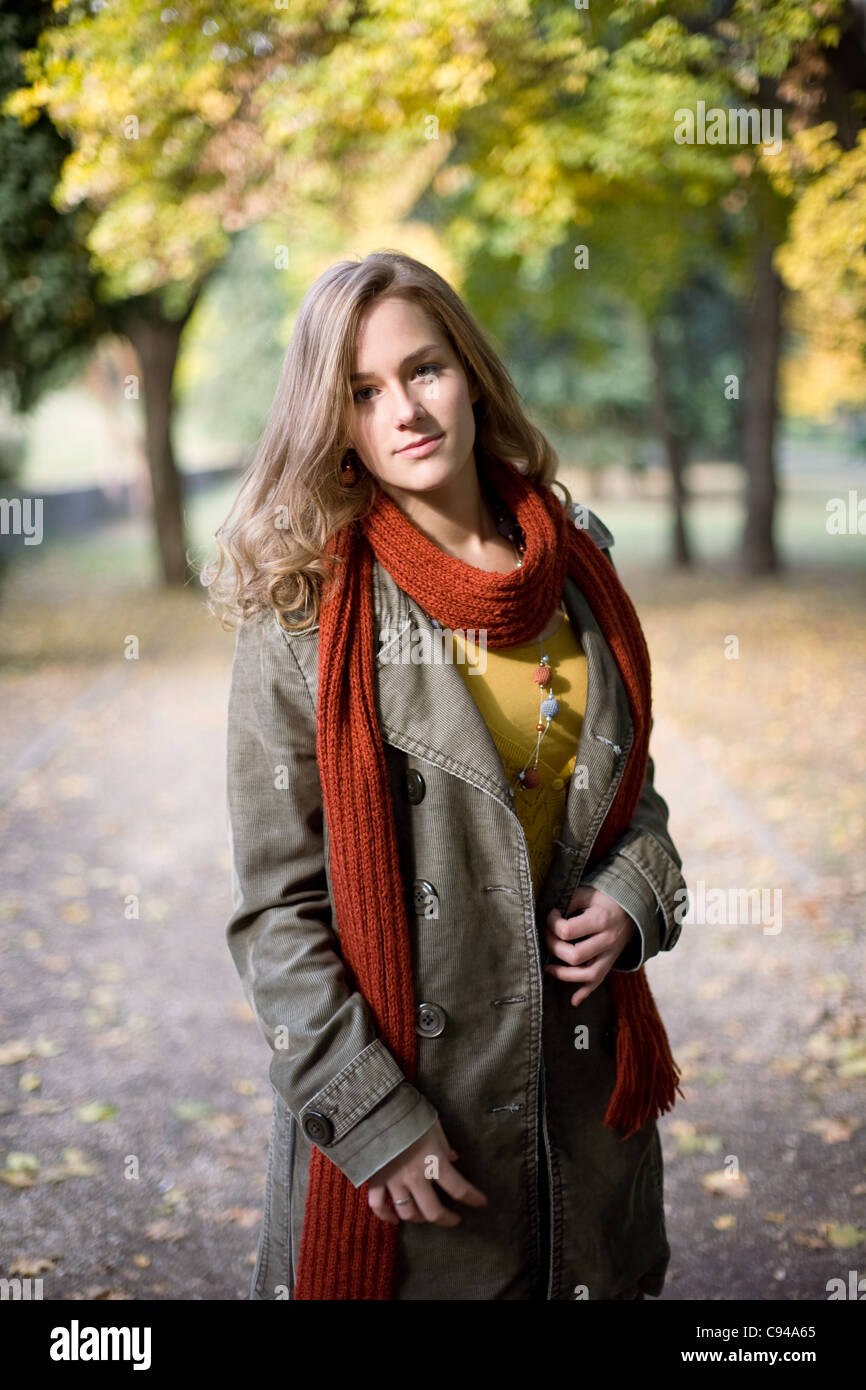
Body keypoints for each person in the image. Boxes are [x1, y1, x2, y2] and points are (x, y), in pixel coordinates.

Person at [203, 249, 687, 1301]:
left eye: (423, 370)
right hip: (425, 1131)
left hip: (583, 1096)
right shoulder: (302, 613)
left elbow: (625, 797)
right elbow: (276, 912)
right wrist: (372, 1116)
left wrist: (632, 893)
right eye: (361, 391)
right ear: (330, 420)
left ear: (467, 372)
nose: (403, 411)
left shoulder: (574, 559)